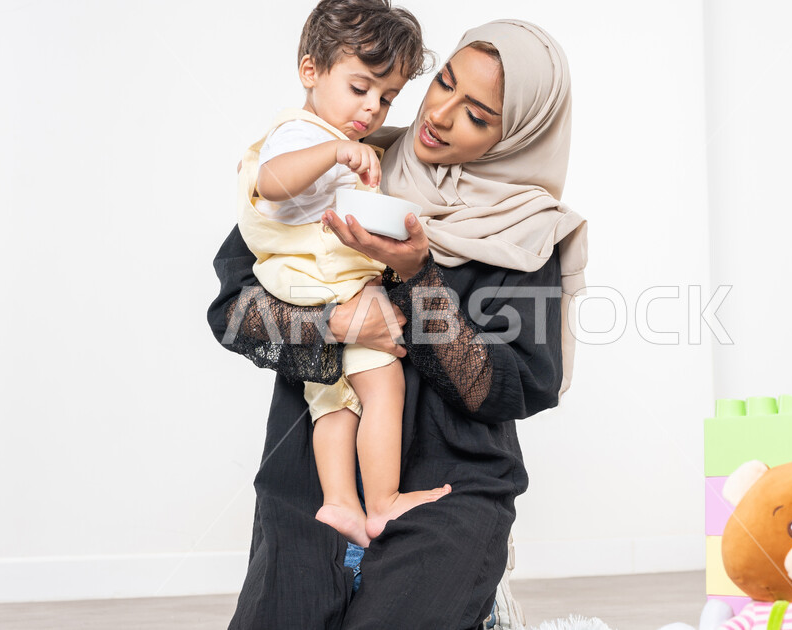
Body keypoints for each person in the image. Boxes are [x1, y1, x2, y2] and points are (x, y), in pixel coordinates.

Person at [209, 19, 588, 629]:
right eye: (443, 83)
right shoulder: (340, 162)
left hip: (449, 490)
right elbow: (232, 312)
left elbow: (513, 387)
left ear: (516, 134)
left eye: (479, 116)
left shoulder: (526, 233)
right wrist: (336, 322)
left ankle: (480, 600)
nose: (439, 114)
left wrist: (419, 280)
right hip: (315, 480)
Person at [236, 0, 450, 548]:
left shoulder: (336, 141)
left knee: (332, 396)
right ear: (311, 70)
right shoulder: (302, 134)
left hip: (311, 286)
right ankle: (383, 501)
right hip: (323, 281)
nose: (372, 109)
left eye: (387, 97)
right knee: (383, 385)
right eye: (360, 88)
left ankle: (340, 503)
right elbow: (272, 183)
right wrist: (334, 151)